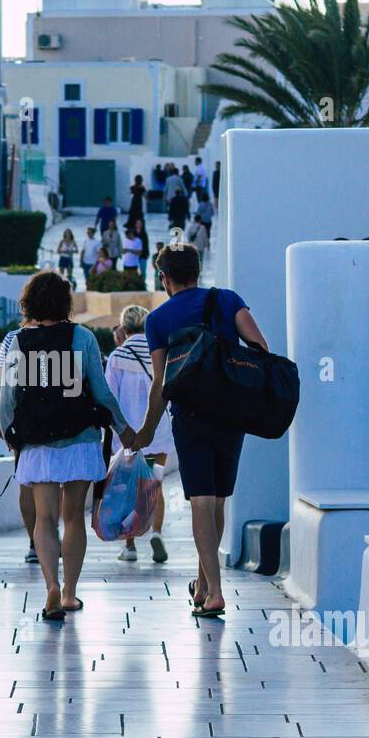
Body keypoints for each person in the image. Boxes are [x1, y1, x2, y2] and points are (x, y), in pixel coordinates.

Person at [133, 246, 269, 619]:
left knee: (201, 502)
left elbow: (161, 383)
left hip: (191, 417)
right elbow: (261, 346)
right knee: (218, 501)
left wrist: (146, 430)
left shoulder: (158, 320)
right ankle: (204, 584)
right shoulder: (227, 300)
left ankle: (216, 593)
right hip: (230, 414)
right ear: (196, 270)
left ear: (165, 278)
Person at [0, 272, 135, 619]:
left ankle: (51, 587)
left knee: (45, 518)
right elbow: (102, 393)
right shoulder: (83, 337)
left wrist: (8, 433)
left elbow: (8, 397)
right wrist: (124, 428)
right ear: (65, 302)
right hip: (80, 439)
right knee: (73, 517)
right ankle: (71, 593)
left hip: (38, 443)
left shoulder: (18, 342)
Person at [104, 305, 173, 564]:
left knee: (127, 489)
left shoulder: (118, 356)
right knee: (154, 484)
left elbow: (109, 398)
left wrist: (116, 431)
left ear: (123, 328)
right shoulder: (160, 354)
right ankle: (156, 532)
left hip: (130, 434)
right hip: (159, 429)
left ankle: (130, 546)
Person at [0, 323, 39, 564]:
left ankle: (35, 541)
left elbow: (1, 382)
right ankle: (48, 537)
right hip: (62, 420)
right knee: (58, 484)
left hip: (23, 421)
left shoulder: (13, 336)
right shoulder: (69, 331)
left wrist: (0, 419)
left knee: (26, 481)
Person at [133, 217, 150, 283]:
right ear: (136, 224)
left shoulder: (144, 233)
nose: (139, 224)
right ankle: (136, 284)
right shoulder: (133, 233)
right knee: (135, 271)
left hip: (143, 255)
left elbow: (146, 244)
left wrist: (147, 253)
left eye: (140, 223)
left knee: (143, 271)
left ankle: (143, 283)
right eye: (138, 223)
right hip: (135, 255)